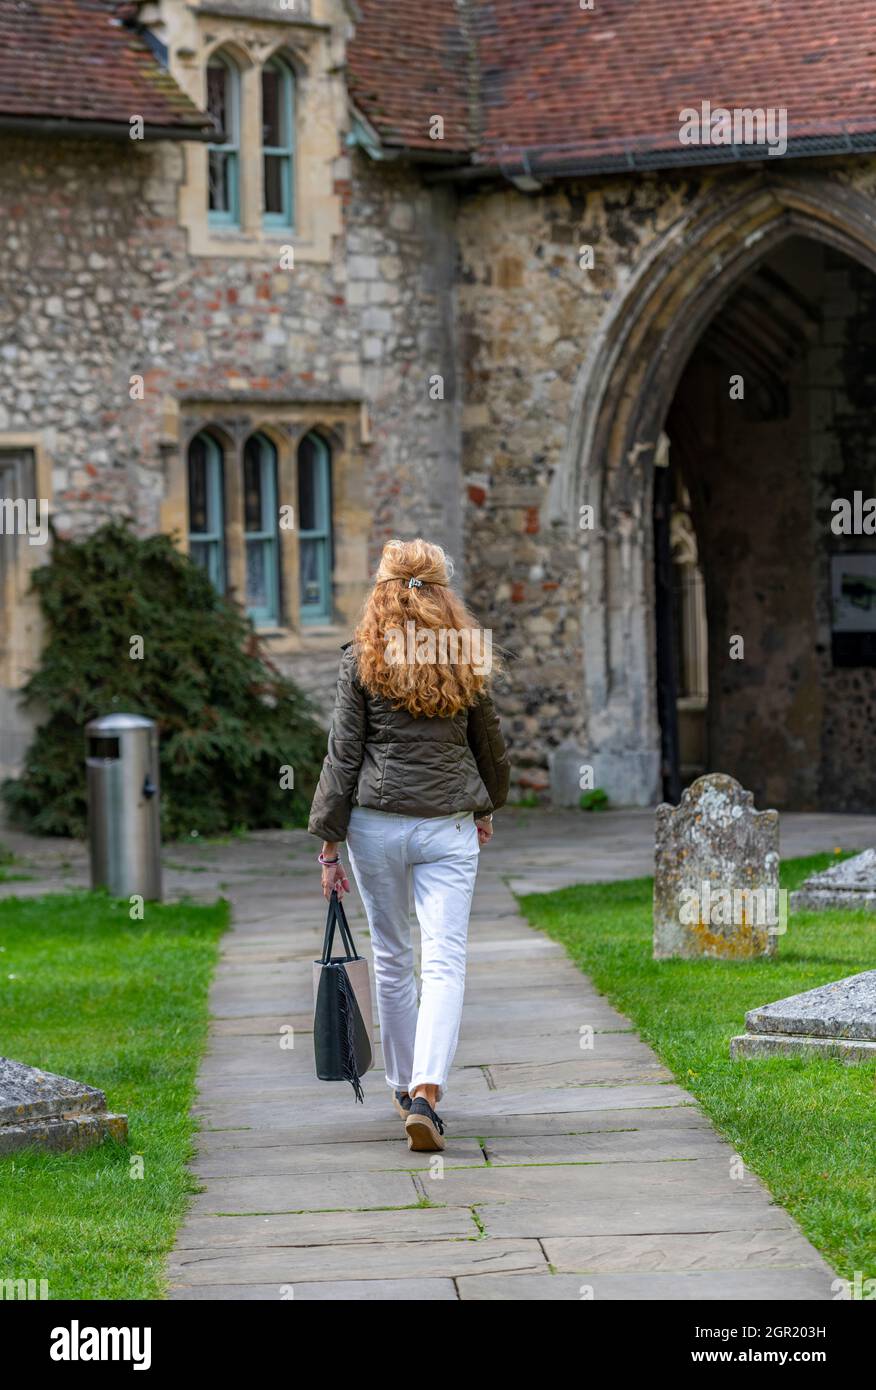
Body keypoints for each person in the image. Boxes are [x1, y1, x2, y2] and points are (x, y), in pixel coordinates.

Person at [308, 538, 510, 1151]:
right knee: (444, 960)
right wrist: (486, 804)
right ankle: (427, 1089)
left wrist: (328, 842)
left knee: (394, 958)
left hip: (376, 824)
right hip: (448, 824)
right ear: (443, 591)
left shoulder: (361, 658)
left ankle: (402, 1091)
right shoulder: (464, 655)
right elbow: (489, 743)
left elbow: (343, 756)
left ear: (382, 588)